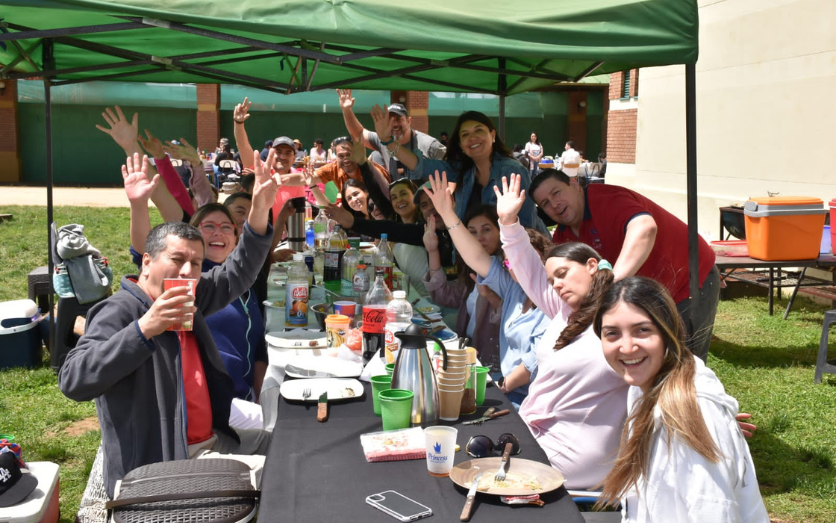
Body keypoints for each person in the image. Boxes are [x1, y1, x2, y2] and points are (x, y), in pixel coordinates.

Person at [58, 150, 281, 499]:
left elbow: (237, 272)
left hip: (210, 434)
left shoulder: (188, 297)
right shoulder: (120, 311)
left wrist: (259, 209)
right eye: (177, 260)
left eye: (196, 262)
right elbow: (74, 380)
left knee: (290, 441)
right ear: (146, 262)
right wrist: (145, 329)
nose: (188, 272)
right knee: (289, 476)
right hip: (169, 460)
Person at [593, 277, 769, 522]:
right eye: (612, 333)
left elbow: (713, 512)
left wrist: (709, 419)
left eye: (642, 330)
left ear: (668, 332)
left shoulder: (689, 412)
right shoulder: (643, 388)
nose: (627, 347)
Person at [528, 168, 719, 361]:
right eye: (545, 203)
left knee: (684, 360)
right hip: (647, 295)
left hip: (688, 278)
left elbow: (645, 227)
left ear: (575, 184)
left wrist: (610, 286)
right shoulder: (563, 236)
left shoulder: (606, 199)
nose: (554, 204)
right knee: (654, 360)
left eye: (556, 193)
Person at [423, 171, 550, 407]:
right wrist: (447, 214)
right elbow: (474, 256)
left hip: (532, 400)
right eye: (510, 261)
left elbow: (535, 359)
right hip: (508, 391)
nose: (517, 267)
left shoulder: (552, 297)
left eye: (527, 259)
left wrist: (509, 221)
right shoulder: (513, 286)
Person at [372, 108, 547, 234]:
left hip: (515, 265)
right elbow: (420, 164)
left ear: (492, 135)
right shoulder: (464, 170)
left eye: (479, 130)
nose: (472, 138)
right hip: (478, 261)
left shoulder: (512, 171)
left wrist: (507, 269)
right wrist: (387, 141)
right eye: (465, 135)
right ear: (461, 145)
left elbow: (527, 229)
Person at [337, 89, 446, 181]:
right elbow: (359, 133)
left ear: (409, 121)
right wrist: (346, 110)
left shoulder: (429, 145)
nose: (394, 124)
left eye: (399, 119)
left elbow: (452, 170)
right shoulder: (382, 140)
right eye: (390, 120)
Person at [231, 97, 306, 225]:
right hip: (256, 234)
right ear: (270, 152)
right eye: (278, 152)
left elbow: (299, 215)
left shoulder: (297, 180)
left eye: (288, 153)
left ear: (294, 157)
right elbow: (243, 145)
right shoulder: (260, 170)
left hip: (282, 238)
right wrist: (239, 123)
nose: (282, 156)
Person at [279, 136, 391, 208]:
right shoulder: (334, 168)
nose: (346, 159)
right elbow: (305, 178)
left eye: (349, 155)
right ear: (335, 157)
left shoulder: (373, 171)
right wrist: (276, 180)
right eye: (341, 156)